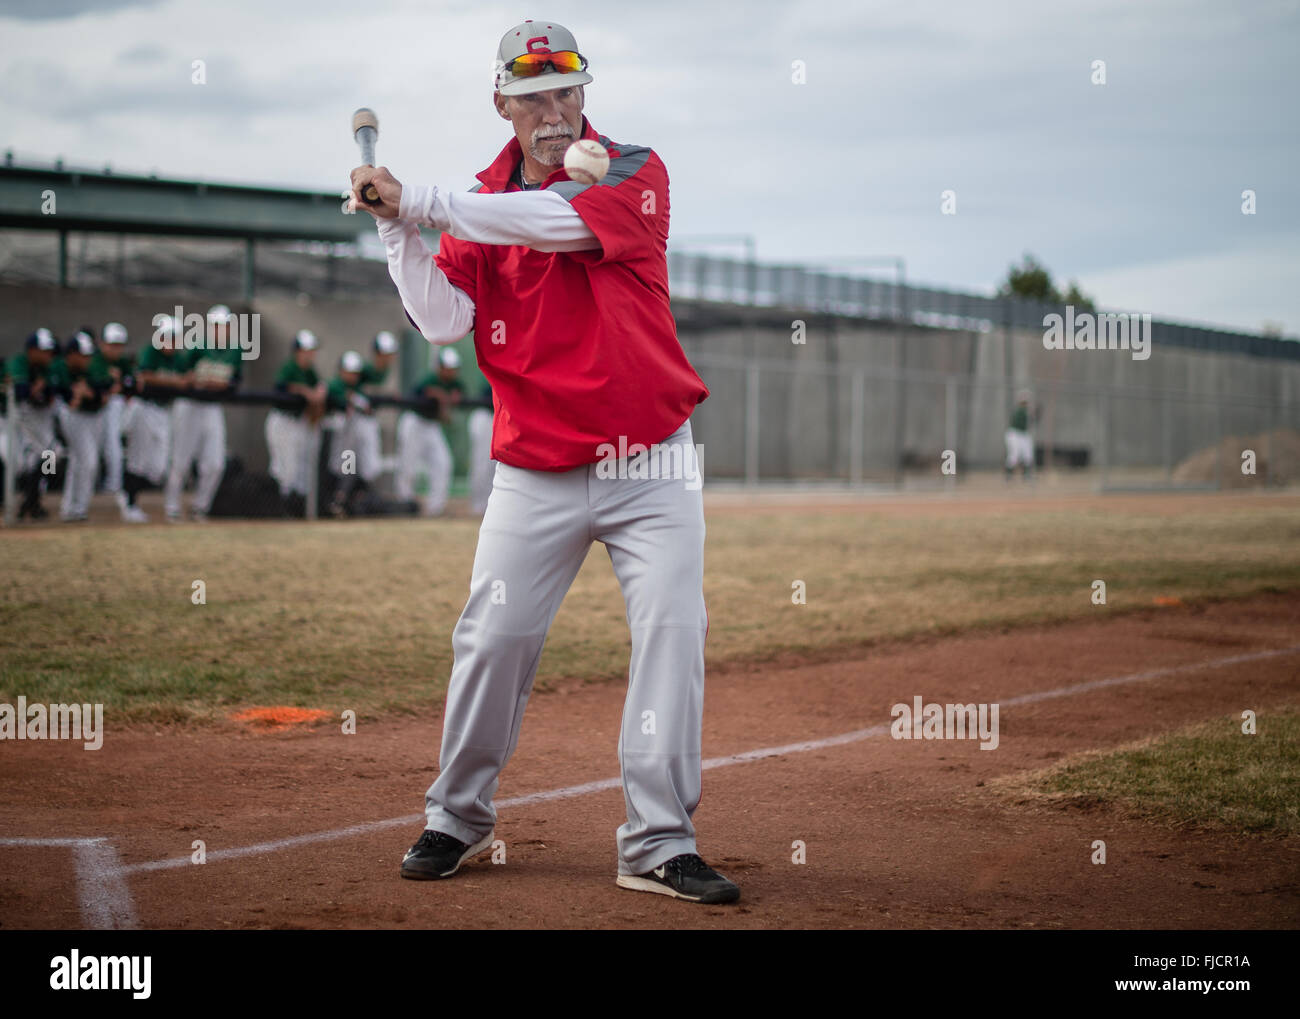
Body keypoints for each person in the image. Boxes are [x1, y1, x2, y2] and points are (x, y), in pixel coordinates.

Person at [350, 19, 735, 904]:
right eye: (533, 94)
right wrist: (392, 232)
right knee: (492, 637)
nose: (554, 109)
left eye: (566, 90)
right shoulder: (477, 195)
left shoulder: (634, 170)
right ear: (503, 105)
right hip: (536, 466)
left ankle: (658, 838)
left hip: (651, 461)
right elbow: (443, 318)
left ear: (584, 96)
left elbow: (553, 224)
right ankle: (457, 816)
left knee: (675, 633)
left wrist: (421, 201)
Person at [166, 304, 241, 522]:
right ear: (210, 327)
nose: (221, 329)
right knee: (181, 460)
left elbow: (232, 383)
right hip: (189, 405)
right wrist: (209, 382)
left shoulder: (235, 350)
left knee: (215, 463)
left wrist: (209, 382)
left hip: (211, 408)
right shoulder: (197, 347)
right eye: (217, 325)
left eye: (225, 325)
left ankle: (200, 506)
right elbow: (182, 378)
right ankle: (172, 507)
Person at [122, 315, 187, 523]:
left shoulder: (176, 358)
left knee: (158, 467)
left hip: (163, 411)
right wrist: (174, 381)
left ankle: (126, 493)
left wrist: (177, 381)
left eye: (174, 338)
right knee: (137, 459)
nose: (171, 342)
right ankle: (130, 503)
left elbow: (185, 379)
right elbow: (145, 375)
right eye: (167, 337)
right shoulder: (150, 351)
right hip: (144, 408)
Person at [49, 331, 111, 522]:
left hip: (93, 416)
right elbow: (67, 398)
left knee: (79, 461)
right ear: (72, 354)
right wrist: (78, 395)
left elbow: (104, 391)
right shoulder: (59, 366)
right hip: (71, 417)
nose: (87, 359)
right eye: (83, 355)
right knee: (88, 460)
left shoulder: (93, 367)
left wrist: (89, 393)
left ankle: (72, 508)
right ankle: (77, 508)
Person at [395, 346, 462, 517]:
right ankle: (405, 505)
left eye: (453, 368)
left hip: (432, 426)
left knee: (443, 462)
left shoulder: (455, 383)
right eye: (447, 368)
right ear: (439, 367)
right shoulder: (429, 379)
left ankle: (435, 508)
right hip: (415, 421)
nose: (450, 372)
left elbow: (456, 397)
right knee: (408, 465)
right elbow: (419, 395)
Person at [266, 330, 326, 517]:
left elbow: (320, 388)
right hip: (282, 420)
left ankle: (293, 511)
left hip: (298, 422)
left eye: (312, 350)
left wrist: (318, 391)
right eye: (307, 350)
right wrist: (305, 391)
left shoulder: (310, 372)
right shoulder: (290, 367)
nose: (311, 354)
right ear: (297, 351)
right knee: (284, 468)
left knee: (299, 469)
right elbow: (281, 386)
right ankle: (278, 510)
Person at [4, 329, 60, 520]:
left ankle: (30, 502)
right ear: (32, 350)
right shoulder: (19, 362)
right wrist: (34, 389)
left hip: (31, 420)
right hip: (7, 419)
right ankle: (22, 505)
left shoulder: (46, 368)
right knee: (17, 463)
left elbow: (53, 391)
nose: (48, 355)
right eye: (43, 350)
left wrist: (40, 390)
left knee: (50, 455)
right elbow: (19, 391)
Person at [325, 350, 373, 517]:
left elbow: (366, 406)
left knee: (350, 467)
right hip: (331, 434)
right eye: (349, 372)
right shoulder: (334, 385)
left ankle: (342, 501)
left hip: (349, 438)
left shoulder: (357, 389)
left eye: (355, 373)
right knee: (336, 468)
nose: (352, 376)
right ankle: (333, 501)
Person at [92, 321, 134, 501]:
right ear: (102, 344)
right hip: (89, 411)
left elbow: (131, 384)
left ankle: (113, 484)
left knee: (112, 444)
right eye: (112, 345)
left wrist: (119, 385)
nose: (115, 349)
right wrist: (112, 385)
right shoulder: (94, 360)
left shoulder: (123, 362)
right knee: (90, 452)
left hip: (112, 409)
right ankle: (93, 486)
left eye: (119, 345)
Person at [467, 380, 495, 516]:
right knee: (482, 464)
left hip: (498, 417)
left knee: (494, 466)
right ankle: (478, 506)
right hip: (484, 416)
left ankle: (487, 506)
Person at [1005, 390, 1035, 482]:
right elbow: (1023, 422)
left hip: (1023, 434)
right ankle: (1008, 476)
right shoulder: (1020, 411)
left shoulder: (1025, 412)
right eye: (1023, 402)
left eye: (1025, 402)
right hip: (1014, 434)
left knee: (1028, 455)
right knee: (1014, 455)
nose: (1024, 404)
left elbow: (1029, 423)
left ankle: (1026, 476)